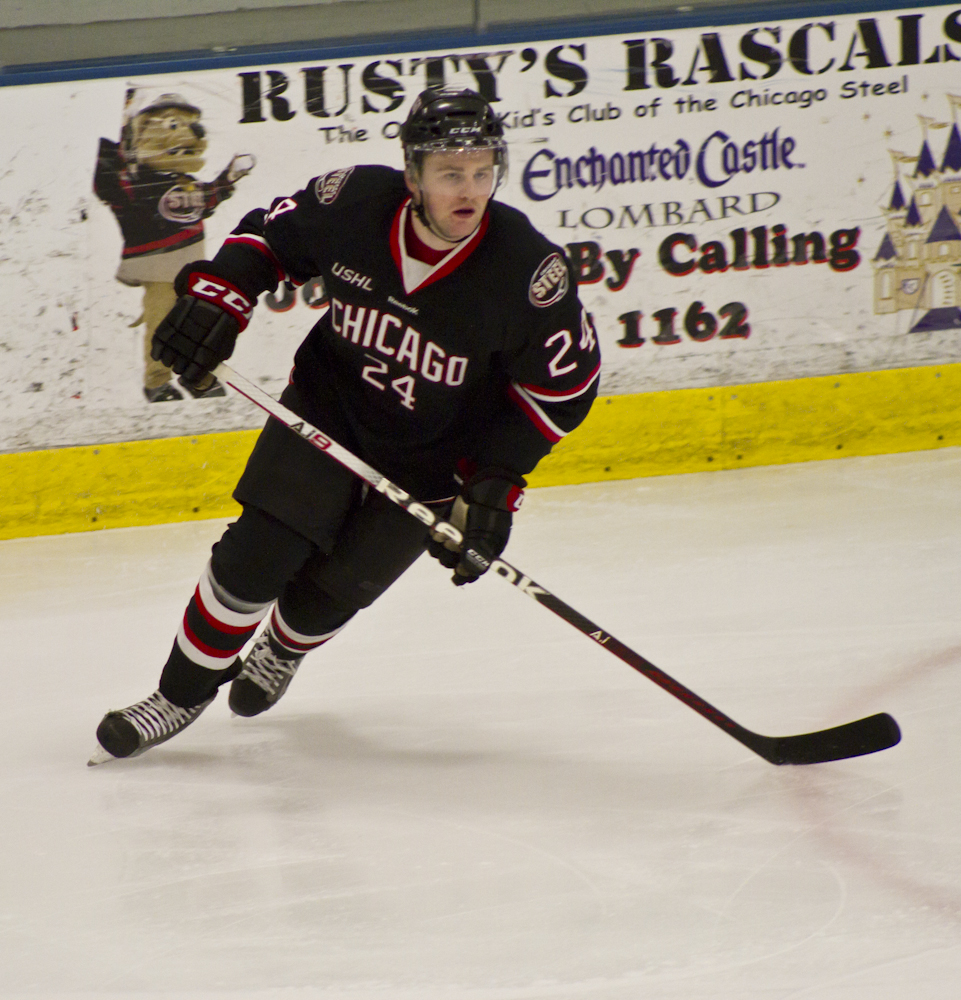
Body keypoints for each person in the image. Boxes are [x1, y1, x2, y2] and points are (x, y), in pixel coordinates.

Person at [90, 87, 601, 764]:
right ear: (412, 173)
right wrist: (221, 297)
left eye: (482, 172)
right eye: (450, 173)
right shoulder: (353, 203)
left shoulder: (527, 272)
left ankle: (283, 647)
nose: (469, 190)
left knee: (334, 593)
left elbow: (562, 391)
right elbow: (267, 239)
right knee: (256, 558)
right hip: (328, 410)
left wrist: (497, 479)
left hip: (434, 459)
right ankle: (179, 694)